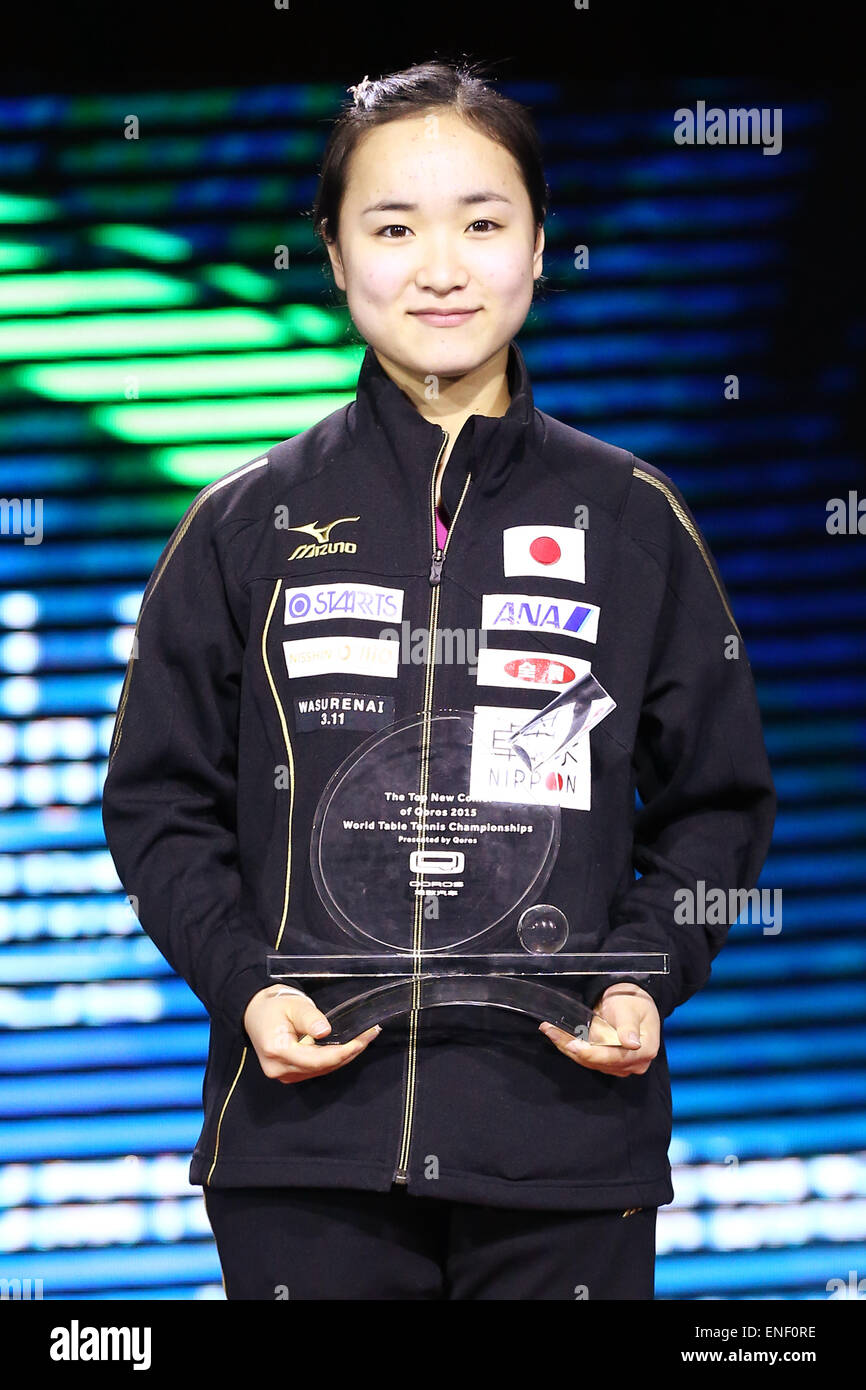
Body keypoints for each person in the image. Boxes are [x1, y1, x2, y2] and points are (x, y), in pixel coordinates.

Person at [101, 59, 777, 1300]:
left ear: (535, 245)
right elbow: (158, 806)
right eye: (393, 226)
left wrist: (640, 973)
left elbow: (718, 809)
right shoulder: (242, 525)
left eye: (481, 222)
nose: (441, 265)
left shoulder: (629, 522)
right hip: (304, 1154)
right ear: (331, 248)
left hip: (565, 1146)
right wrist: (246, 987)